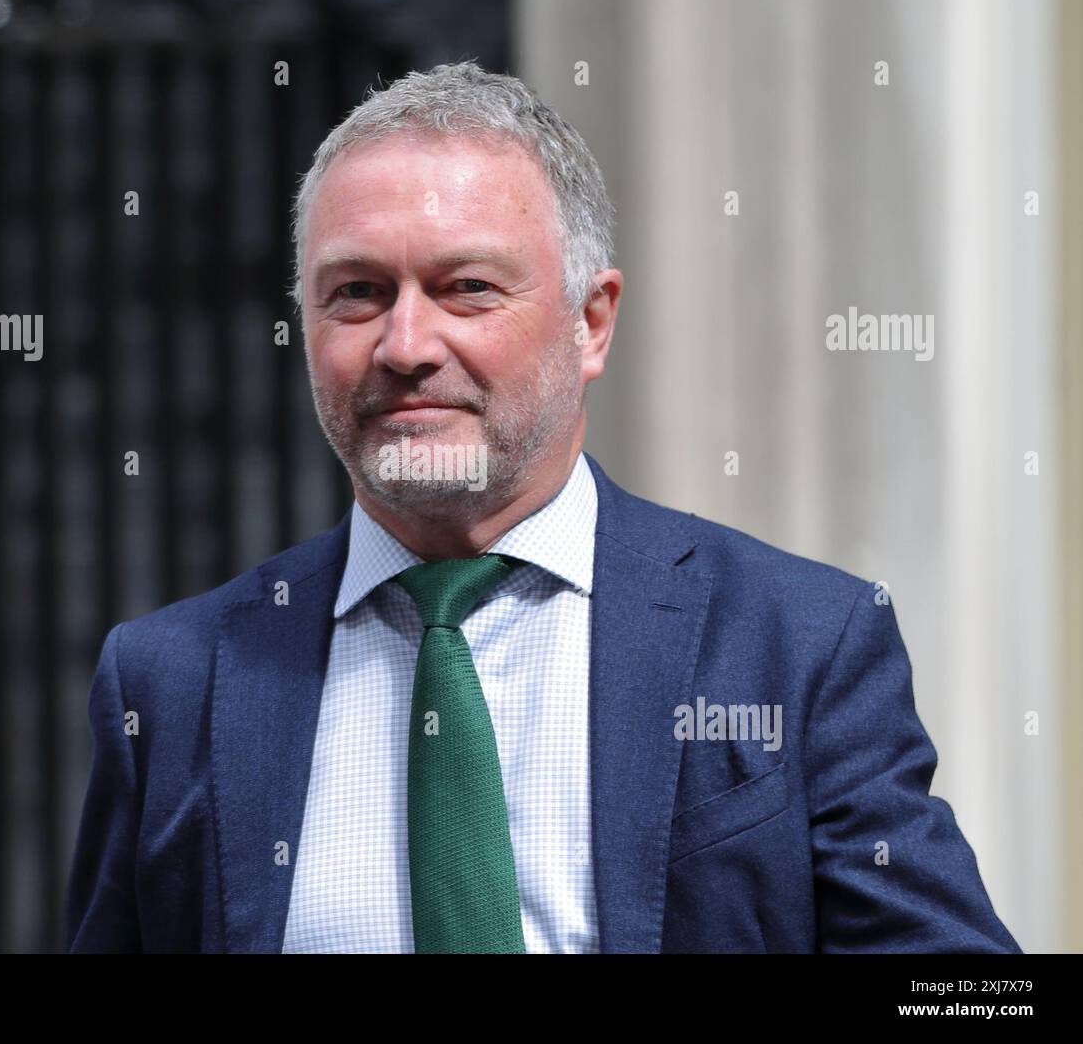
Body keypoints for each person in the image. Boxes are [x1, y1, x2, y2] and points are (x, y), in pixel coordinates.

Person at [64, 60, 1020, 954]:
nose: (405, 343)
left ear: (590, 322)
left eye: (466, 288)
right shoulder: (172, 682)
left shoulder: (797, 644)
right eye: (356, 293)